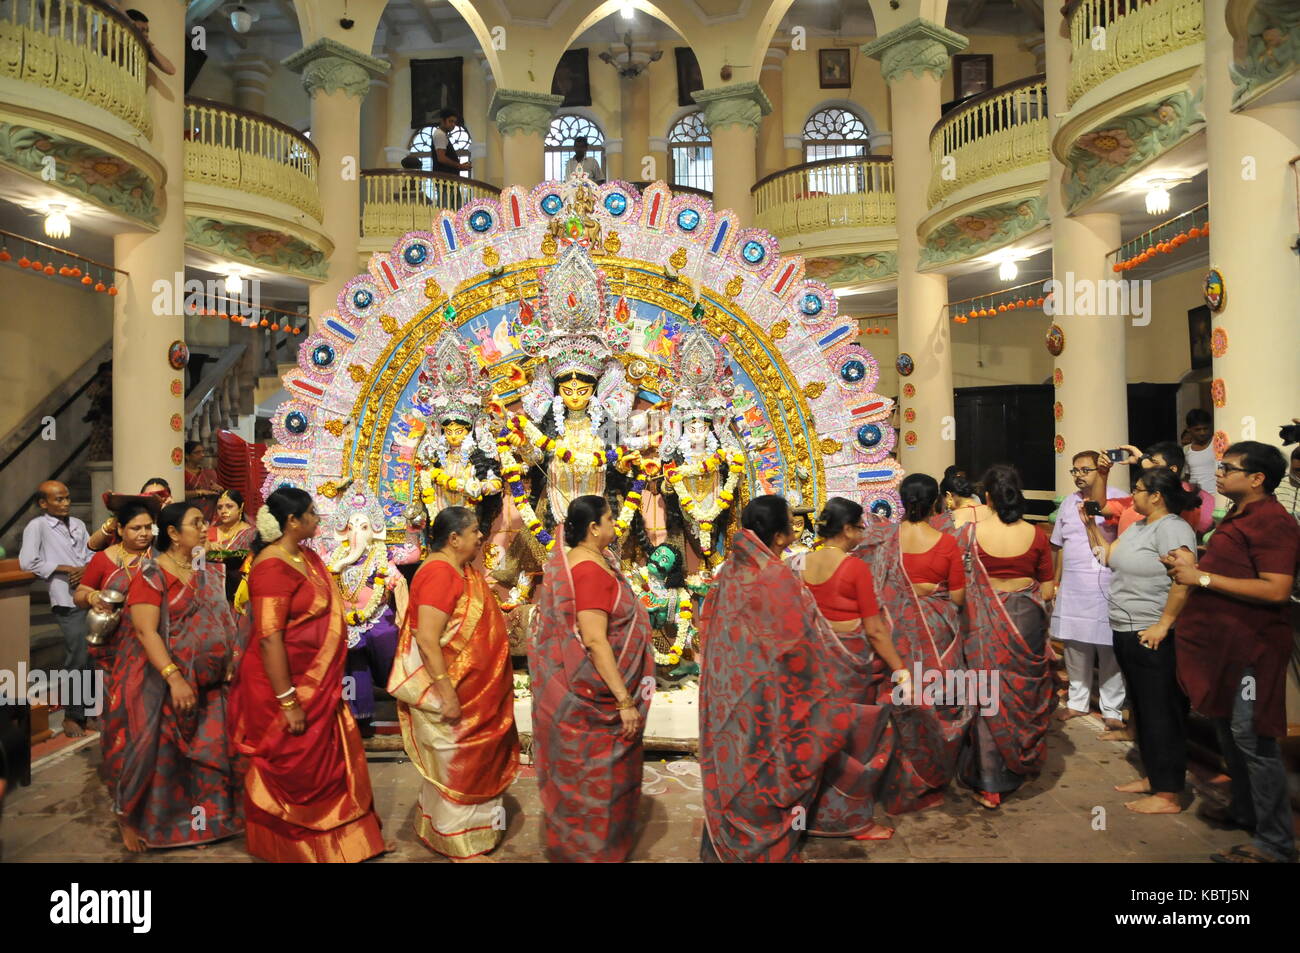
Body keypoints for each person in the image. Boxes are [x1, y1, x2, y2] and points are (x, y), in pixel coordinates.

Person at [699, 496, 876, 862]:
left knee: (739, 767)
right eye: (791, 526)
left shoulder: (727, 572)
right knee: (768, 769)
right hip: (770, 699)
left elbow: (712, 632)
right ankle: (767, 846)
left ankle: (727, 841)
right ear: (780, 537)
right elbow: (801, 644)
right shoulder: (778, 578)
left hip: (732, 695)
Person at [228, 487, 386, 863]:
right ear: (292, 521)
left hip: (319, 687)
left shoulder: (308, 557)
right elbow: (269, 639)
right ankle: (297, 848)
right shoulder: (270, 566)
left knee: (331, 765)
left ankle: (344, 843)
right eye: (312, 514)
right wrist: (288, 701)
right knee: (295, 768)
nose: (319, 519)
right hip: (282, 687)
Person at [1162, 442, 1300, 863]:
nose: (1217, 473)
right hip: (1225, 646)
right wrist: (1195, 561)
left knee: (1253, 739)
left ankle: (1276, 843)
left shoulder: (1274, 523)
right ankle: (1244, 809)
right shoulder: (1239, 516)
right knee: (1229, 733)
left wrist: (1199, 578)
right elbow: (1232, 569)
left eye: (1228, 467)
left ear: (1257, 479)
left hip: (1252, 649)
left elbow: (1275, 588)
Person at [388, 507, 519, 861]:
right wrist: (446, 692)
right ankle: (459, 842)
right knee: (460, 766)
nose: (481, 537)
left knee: (470, 764)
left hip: (477, 692)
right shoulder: (440, 574)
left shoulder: (458, 571)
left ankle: (449, 831)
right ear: (454, 538)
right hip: (457, 694)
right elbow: (427, 638)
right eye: (476, 531)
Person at [108, 501, 240, 851]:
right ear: (172, 533)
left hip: (209, 685)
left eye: (204, 523)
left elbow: (222, 617)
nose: (204, 529)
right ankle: (134, 820)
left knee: (207, 751)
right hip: (163, 684)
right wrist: (174, 677)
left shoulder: (205, 572)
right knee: (159, 756)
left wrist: (229, 657)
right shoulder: (152, 575)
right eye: (196, 523)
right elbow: (145, 632)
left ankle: (206, 824)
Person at [530, 495, 654, 862]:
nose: (615, 525)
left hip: (587, 691)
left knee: (587, 778)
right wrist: (624, 700)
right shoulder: (588, 571)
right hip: (592, 699)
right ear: (593, 528)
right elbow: (595, 640)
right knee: (594, 780)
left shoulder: (591, 562)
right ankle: (590, 852)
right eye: (610, 519)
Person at [1082, 468, 1195, 814]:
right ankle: (1154, 778)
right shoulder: (1140, 527)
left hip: (1152, 631)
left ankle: (1169, 793)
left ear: (1157, 496)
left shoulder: (1172, 527)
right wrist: (1089, 524)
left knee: (1161, 711)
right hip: (1125, 628)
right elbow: (1105, 557)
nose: (1134, 497)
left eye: (1139, 491)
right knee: (1144, 710)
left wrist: (1164, 623)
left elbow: (1185, 577)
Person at [855, 474, 973, 797]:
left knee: (899, 700)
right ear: (937, 501)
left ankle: (894, 770)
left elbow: (868, 583)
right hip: (938, 633)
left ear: (901, 501)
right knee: (937, 698)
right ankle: (930, 768)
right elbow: (959, 599)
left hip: (894, 633)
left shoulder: (883, 539)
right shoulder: (948, 543)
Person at [958, 464, 1057, 809]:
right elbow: (1047, 590)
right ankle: (1018, 761)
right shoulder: (1037, 535)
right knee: (1021, 695)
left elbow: (957, 585)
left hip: (983, 624)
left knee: (987, 695)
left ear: (987, 496)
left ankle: (990, 782)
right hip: (1026, 625)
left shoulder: (969, 533)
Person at [75, 497, 160, 787]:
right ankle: (120, 766)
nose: (144, 533)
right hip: (112, 646)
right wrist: (93, 597)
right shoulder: (104, 558)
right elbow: (81, 592)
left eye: (149, 527)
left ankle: (147, 767)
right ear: (120, 529)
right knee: (116, 708)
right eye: (136, 528)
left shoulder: (160, 558)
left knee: (146, 707)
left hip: (150, 643)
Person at [1051, 451, 1128, 734]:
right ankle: (1078, 700)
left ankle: (1112, 708)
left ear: (1101, 470)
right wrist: (1055, 581)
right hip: (1074, 586)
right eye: (1075, 470)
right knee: (1075, 647)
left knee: (1109, 649)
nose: (1080, 475)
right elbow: (1058, 545)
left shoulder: (1117, 499)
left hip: (1107, 584)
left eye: (1086, 469)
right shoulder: (1068, 503)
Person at [19, 481, 93, 737]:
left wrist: (85, 569)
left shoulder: (78, 525)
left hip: (89, 594)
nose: (65, 503)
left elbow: (90, 555)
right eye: (59, 499)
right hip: (65, 599)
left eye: (67, 498)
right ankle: (72, 716)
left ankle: (89, 711)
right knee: (77, 656)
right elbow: (27, 561)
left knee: (91, 656)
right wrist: (65, 569)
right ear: (43, 503)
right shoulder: (37, 527)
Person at [1092, 441, 1215, 538]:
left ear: (1172, 470)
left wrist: (1142, 460)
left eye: (1154, 463)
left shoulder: (1183, 499)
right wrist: (1102, 472)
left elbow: (1171, 493)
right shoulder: (1135, 499)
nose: (1147, 468)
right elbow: (1098, 507)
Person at [207, 489, 255, 604]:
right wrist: (206, 547)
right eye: (219, 507)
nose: (223, 511)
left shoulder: (251, 534)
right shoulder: (208, 532)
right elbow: (194, 563)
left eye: (229, 506)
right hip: (211, 594)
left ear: (241, 507)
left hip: (239, 593)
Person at [184, 441, 223, 523]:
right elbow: (178, 494)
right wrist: (199, 492)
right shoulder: (181, 474)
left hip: (210, 515)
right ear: (187, 456)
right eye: (197, 452)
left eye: (203, 452)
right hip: (189, 514)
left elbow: (217, 492)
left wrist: (219, 489)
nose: (202, 455)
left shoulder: (209, 473)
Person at [1182, 409, 1217, 492]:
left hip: (1217, 498)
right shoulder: (1186, 450)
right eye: (1197, 429)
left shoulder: (1218, 444)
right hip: (1196, 499)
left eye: (1205, 429)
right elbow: (1187, 476)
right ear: (1188, 429)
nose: (1202, 433)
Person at [429, 108, 471, 176]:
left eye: (454, 122)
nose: (453, 125)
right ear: (442, 120)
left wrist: (459, 165)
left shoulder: (442, 134)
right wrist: (459, 166)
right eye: (451, 121)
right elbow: (441, 158)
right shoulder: (440, 134)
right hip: (445, 180)